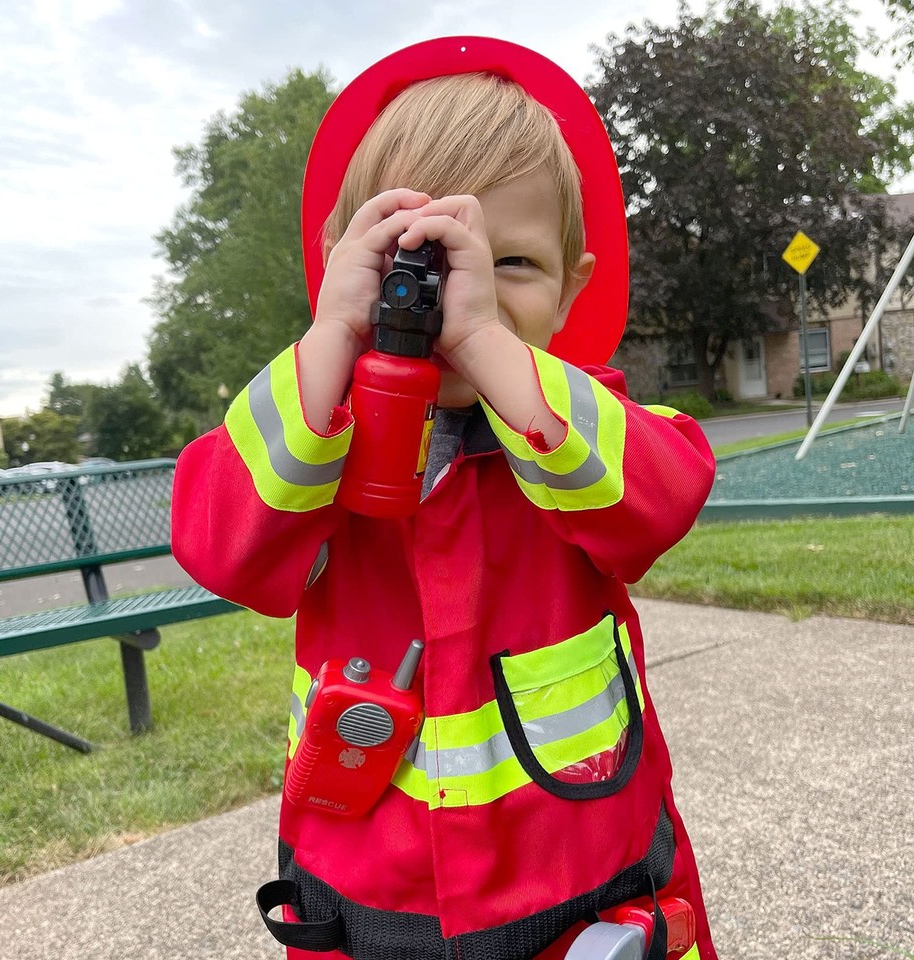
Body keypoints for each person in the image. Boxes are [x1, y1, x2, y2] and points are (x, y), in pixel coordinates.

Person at [171, 36, 718, 960]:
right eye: (416, 263)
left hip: (580, 884)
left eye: (512, 265)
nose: (466, 294)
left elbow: (658, 496)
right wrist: (334, 343)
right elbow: (222, 546)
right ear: (342, 264)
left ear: (573, 286)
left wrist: (492, 349)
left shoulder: (586, 428)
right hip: (370, 895)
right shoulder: (311, 443)